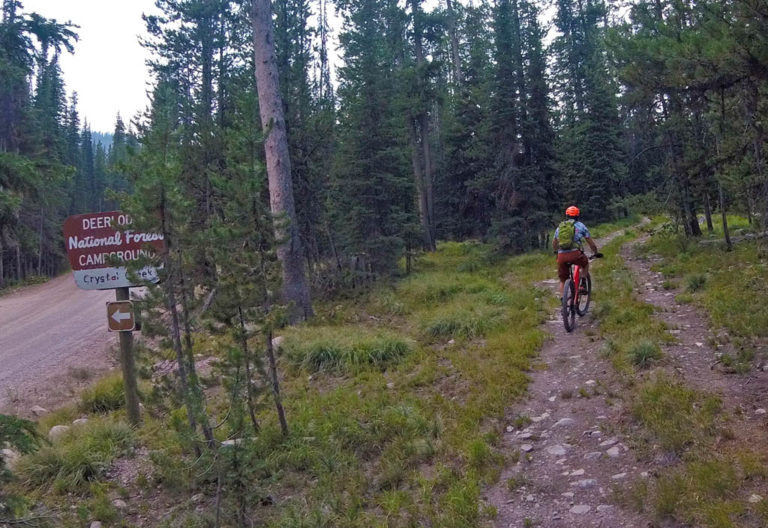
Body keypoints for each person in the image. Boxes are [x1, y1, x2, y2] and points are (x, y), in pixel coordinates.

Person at [553, 206, 600, 299]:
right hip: (575, 254)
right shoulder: (581, 226)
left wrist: (556, 252)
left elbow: (554, 242)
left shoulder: (560, 227)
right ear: (577, 216)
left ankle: (563, 301)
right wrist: (595, 252)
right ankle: (582, 284)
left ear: (566, 215)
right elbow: (591, 243)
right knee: (585, 264)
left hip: (561, 255)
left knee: (563, 280)